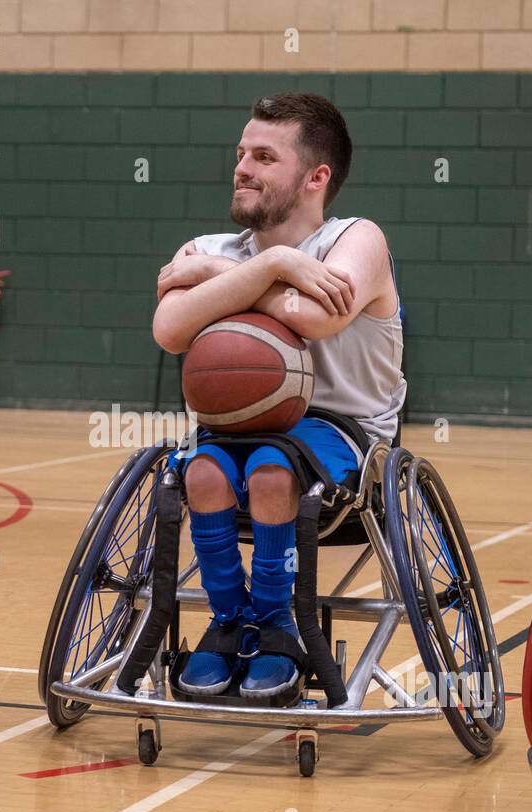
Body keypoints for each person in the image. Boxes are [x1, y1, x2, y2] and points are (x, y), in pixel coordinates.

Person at [152, 92, 404, 702]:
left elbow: (316, 318)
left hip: (341, 431)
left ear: (317, 177)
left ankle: (277, 623)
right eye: (241, 153)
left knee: (271, 471)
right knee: (203, 471)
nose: (242, 167)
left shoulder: (357, 240)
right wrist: (273, 269)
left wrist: (224, 280)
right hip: (234, 426)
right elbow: (169, 329)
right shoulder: (211, 245)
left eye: (264, 156)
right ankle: (228, 620)